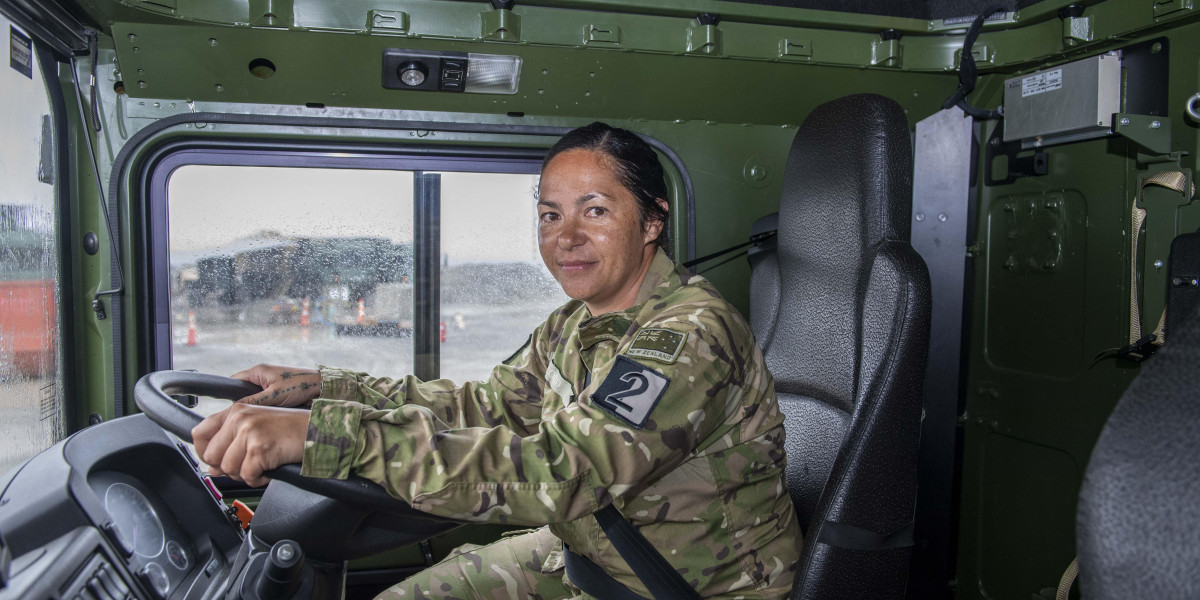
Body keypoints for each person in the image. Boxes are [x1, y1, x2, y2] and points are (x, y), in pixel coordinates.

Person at [193, 122, 802, 599]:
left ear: (651, 222)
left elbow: (568, 471)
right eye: (550, 214)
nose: (565, 236)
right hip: (591, 555)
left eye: (595, 210)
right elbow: (486, 406)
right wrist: (325, 387)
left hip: (689, 585)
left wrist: (330, 436)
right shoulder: (572, 325)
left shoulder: (689, 333)